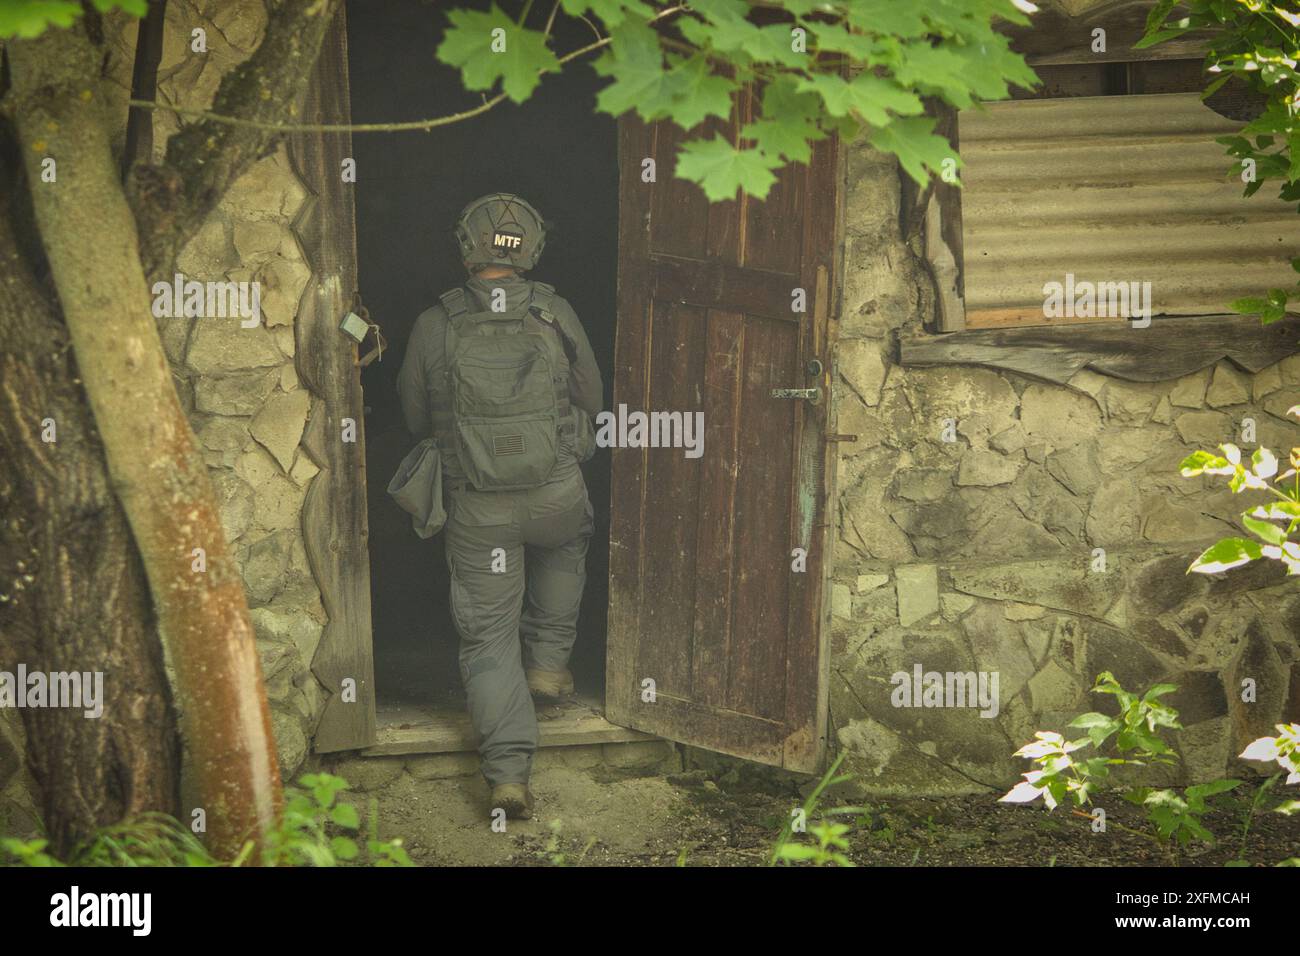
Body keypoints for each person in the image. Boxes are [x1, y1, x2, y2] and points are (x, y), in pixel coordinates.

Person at [397, 193, 602, 820]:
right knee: (567, 546)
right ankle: (546, 663)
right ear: (532, 249)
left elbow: (411, 415)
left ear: (466, 248)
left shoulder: (436, 322)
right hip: (556, 495)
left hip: (480, 512)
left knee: (487, 637)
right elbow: (592, 396)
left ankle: (509, 776)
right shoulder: (554, 311)